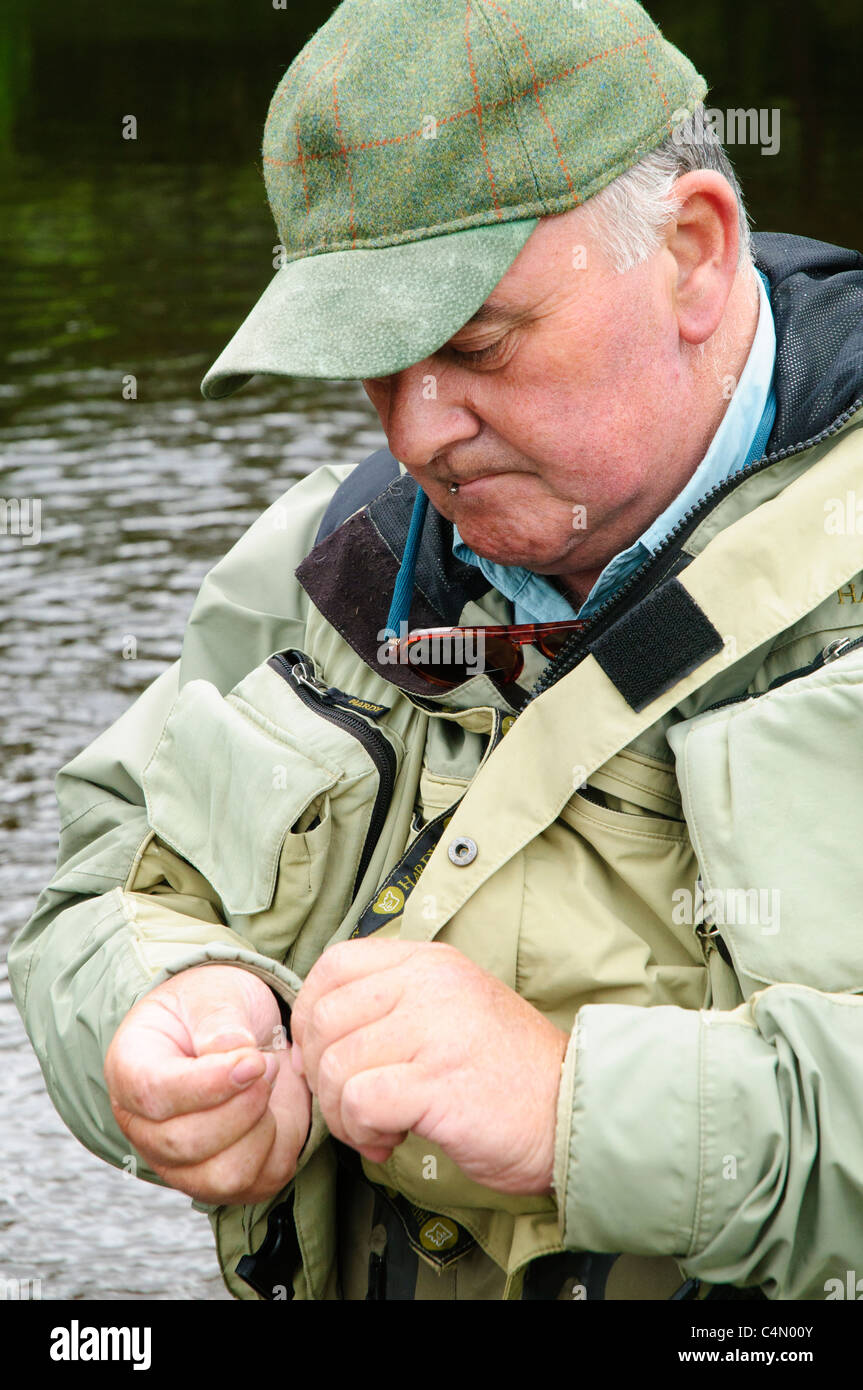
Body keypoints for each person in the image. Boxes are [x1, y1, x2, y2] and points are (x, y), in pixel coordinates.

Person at [10, 0, 863, 1302]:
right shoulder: (327, 554)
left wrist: (576, 1106)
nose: (415, 434)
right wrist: (157, 1017)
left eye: (475, 345)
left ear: (694, 253)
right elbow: (99, 888)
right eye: (371, 365)